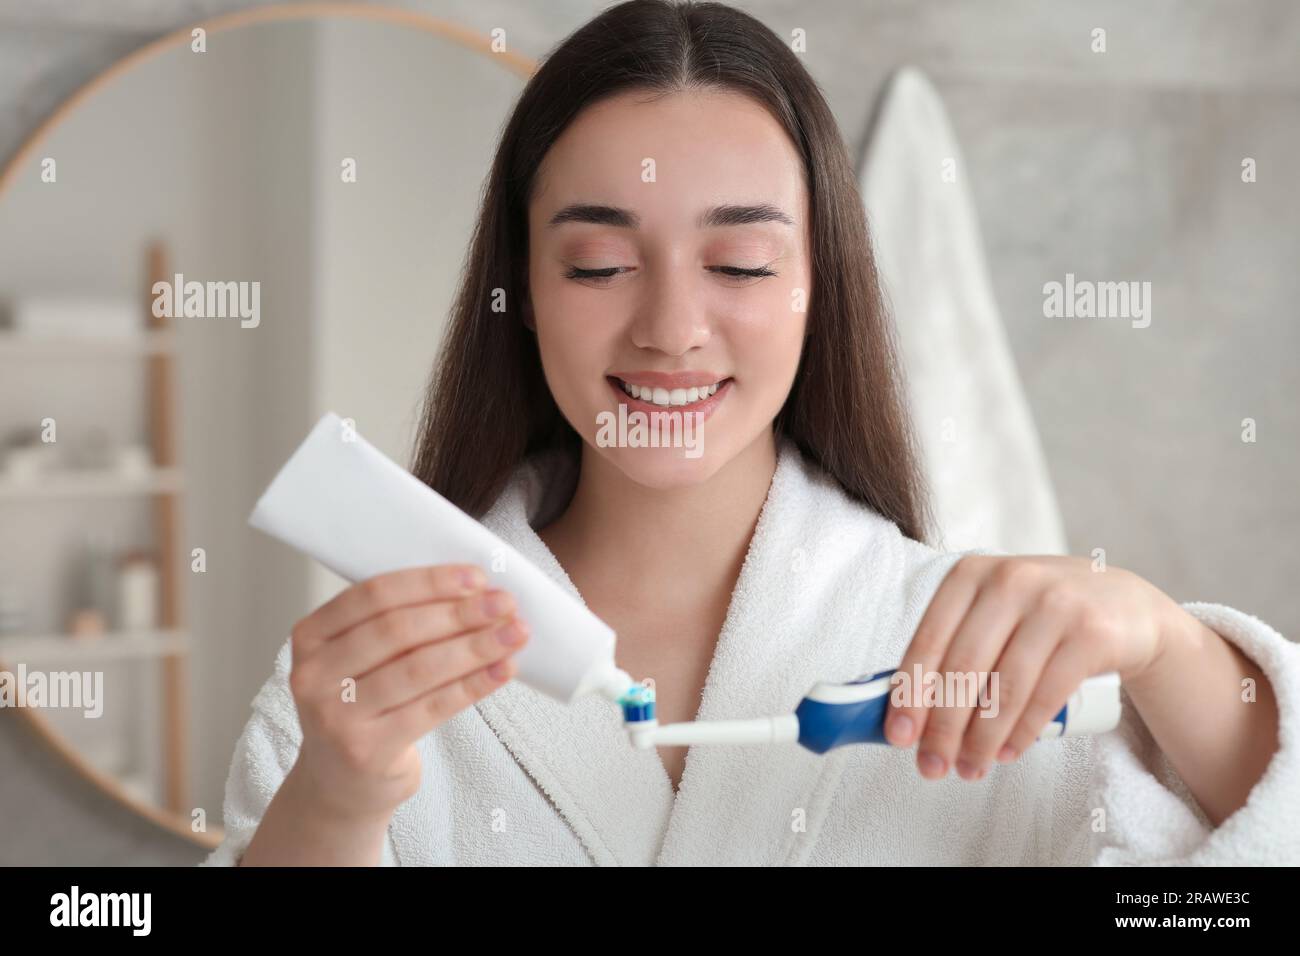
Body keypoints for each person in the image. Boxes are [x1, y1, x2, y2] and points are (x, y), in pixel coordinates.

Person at [204, 0, 1297, 866]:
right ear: (524, 289)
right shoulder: (376, 691)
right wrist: (336, 806)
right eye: (597, 263)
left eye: (739, 265)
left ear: (821, 291)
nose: (672, 328)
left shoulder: (967, 666)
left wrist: (1166, 640)